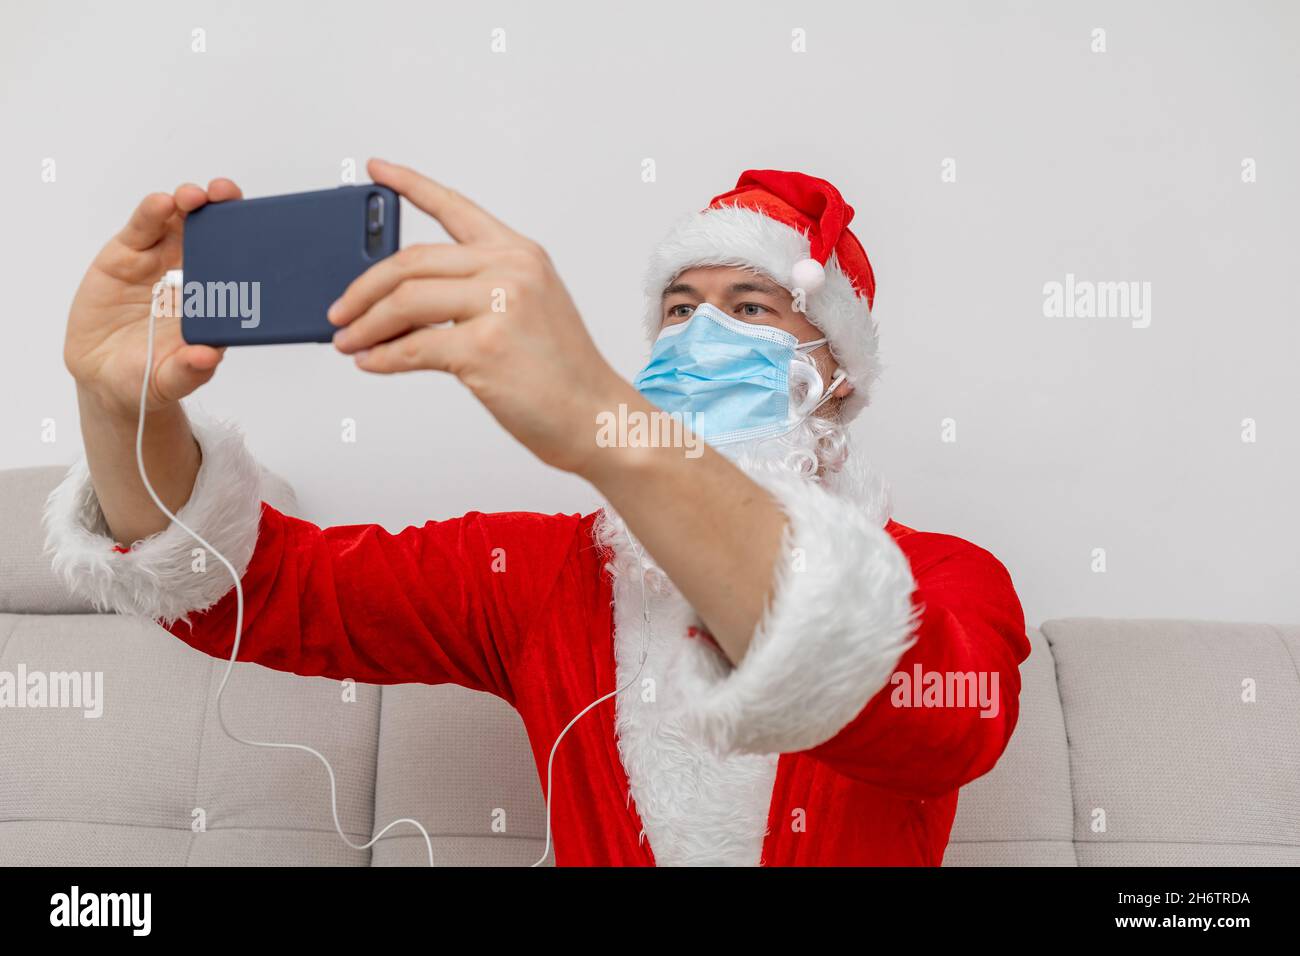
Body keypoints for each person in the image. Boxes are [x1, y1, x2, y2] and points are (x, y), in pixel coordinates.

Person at [43, 160, 1030, 866]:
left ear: (835, 376)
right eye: (679, 310)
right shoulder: (543, 578)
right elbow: (255, 587)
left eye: (753, 308)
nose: (700, 335)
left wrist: (605, 426)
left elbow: (936, 717)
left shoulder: (944, 578)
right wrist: (117, 404)